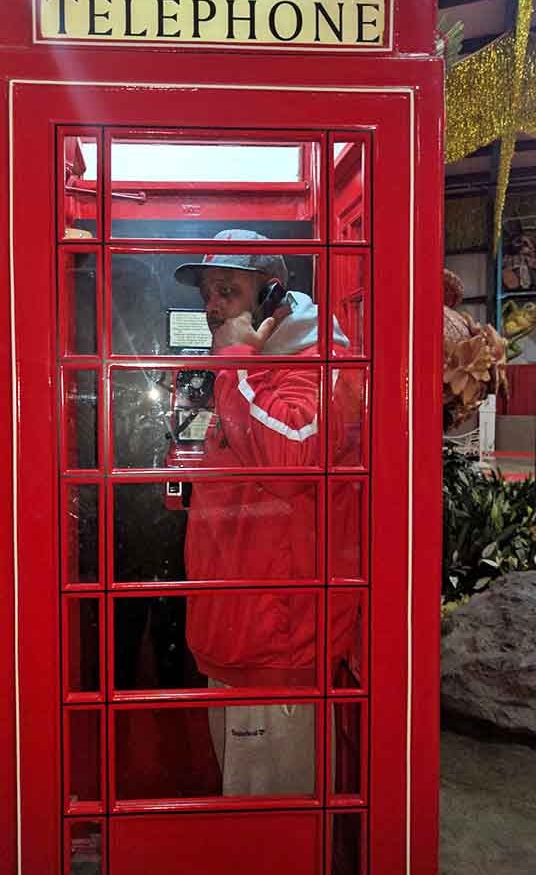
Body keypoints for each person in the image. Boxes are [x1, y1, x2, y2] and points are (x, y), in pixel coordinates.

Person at [172, 229, 360, 797]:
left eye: (228, 291)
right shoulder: (251, 369)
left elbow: (292, 456)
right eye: (208, 292)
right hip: (231, 626)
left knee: (271, 827)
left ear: (274, 297)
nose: (212, 307)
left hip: (279, 641)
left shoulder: (322, 362)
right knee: (237, 813)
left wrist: (234, 359)